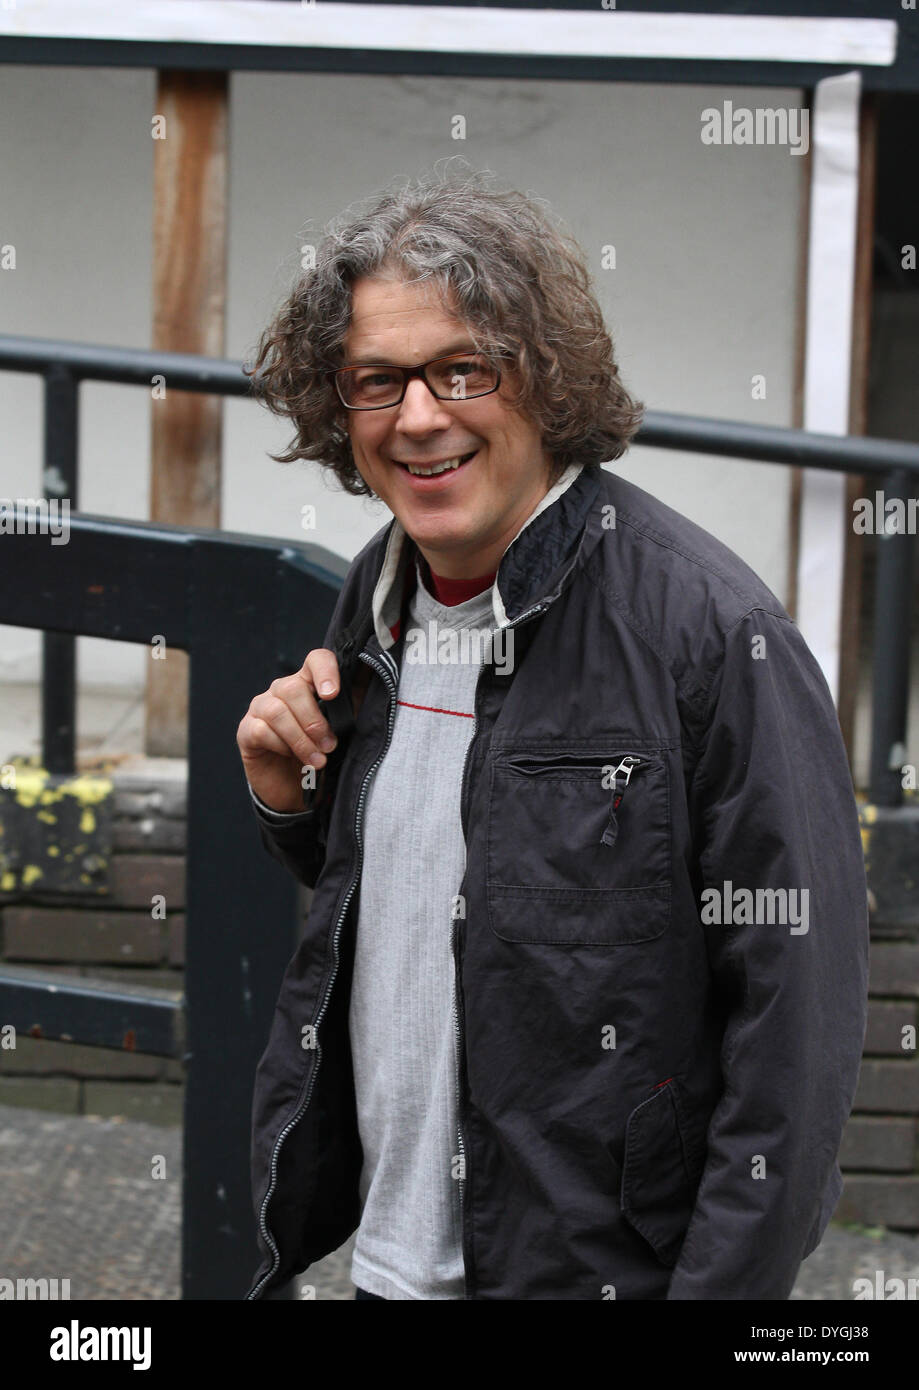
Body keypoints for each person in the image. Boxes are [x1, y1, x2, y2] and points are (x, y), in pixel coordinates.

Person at [236, 166, 869, 1301]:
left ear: (545, 377)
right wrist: (294, 800)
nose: (419, 416)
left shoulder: (713, 634)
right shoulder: (377, 597)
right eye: (376, 381)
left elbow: (797, 1042)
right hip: (388, 1265)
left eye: (462, 369)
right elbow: (441, 894)